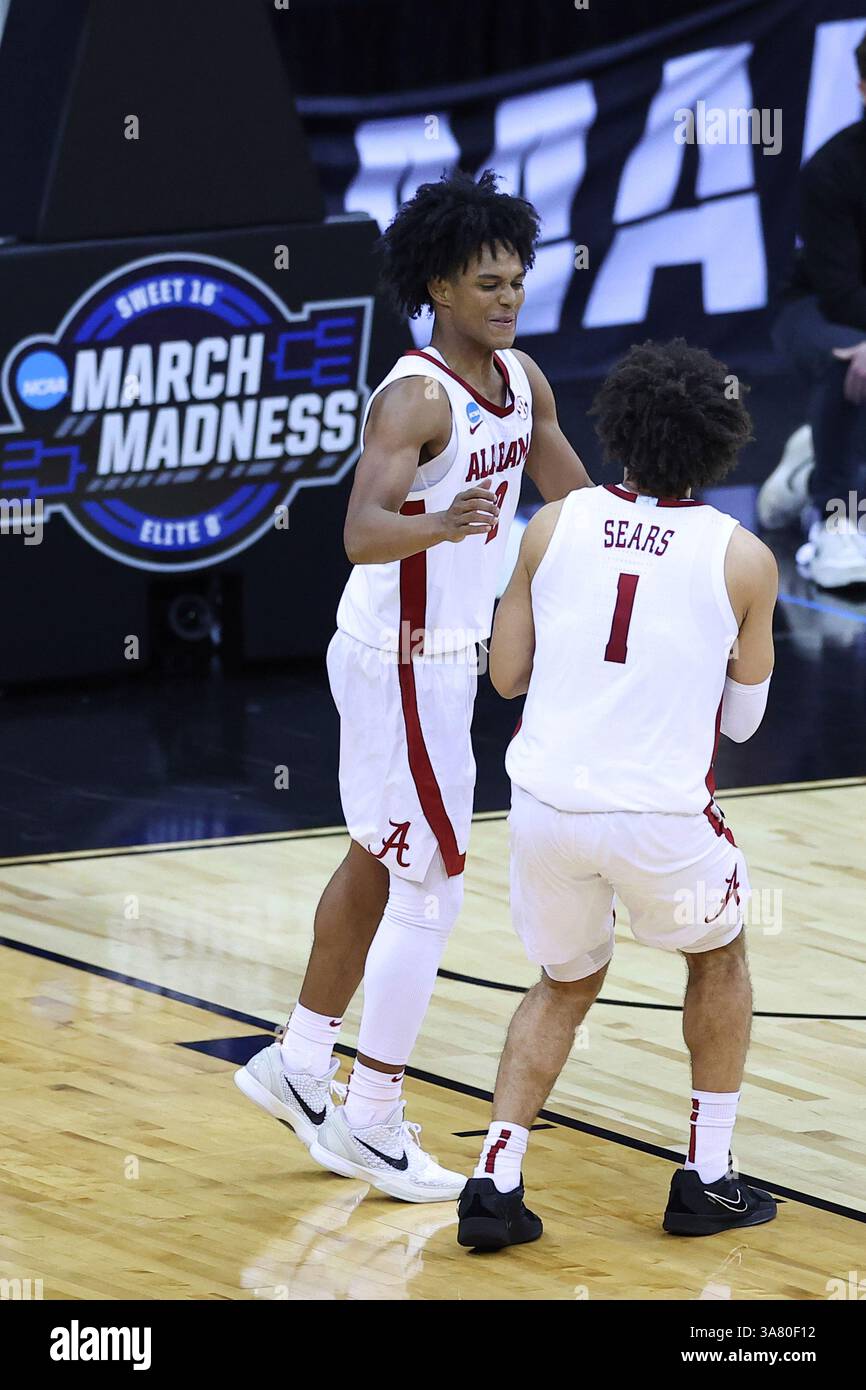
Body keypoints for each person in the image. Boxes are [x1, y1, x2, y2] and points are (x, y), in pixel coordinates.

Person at [236, 169, 592, 1202]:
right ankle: (372, 1119)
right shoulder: (415, 395)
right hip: (400, 658)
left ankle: (300, 1061)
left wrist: (636, 538)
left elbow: (564, 488)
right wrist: (443, 522)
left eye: (516, 279)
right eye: (486, 282)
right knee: (430, 886)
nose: (506, 297)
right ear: (437, 286)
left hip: (433, 659)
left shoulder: (521, 380)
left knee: (376, 853)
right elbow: (357, 532)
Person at [457, 339, 779, 1249]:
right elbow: (746, 726)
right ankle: (707, 1176)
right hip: (658, 818)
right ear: (721, 443)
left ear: (622, 429)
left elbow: (508, 678)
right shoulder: (745, 558)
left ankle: (495, 1178)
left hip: (546, 809)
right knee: (718, 958)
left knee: (563, 979)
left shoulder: (552, 526)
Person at [758, 34, 866, 586]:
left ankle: (802, 474)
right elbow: (842, 290)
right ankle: (835, 519)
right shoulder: (832, 170)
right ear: (863, 87)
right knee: (849, 360)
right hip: (814, 312)